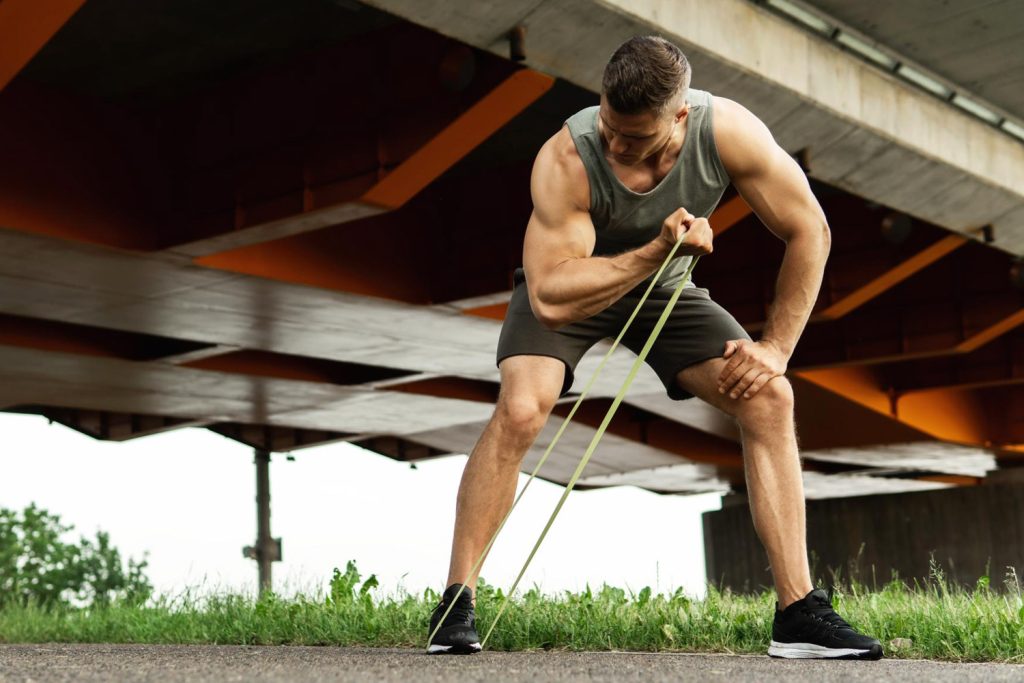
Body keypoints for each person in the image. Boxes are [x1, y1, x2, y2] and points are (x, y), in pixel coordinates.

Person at [427, 35, 882, 660]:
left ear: (681, 116)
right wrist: (650, 252)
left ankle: (797, 614)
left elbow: (811, 229)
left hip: (666, 295)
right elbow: (552, 298)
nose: (617, 146)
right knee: (523, 409)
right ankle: (456, 601)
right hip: (575, 286)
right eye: (611, 128)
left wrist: (776, 346)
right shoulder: (568, 155)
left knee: (770, 398)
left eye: (634, 138)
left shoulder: (729, 133)